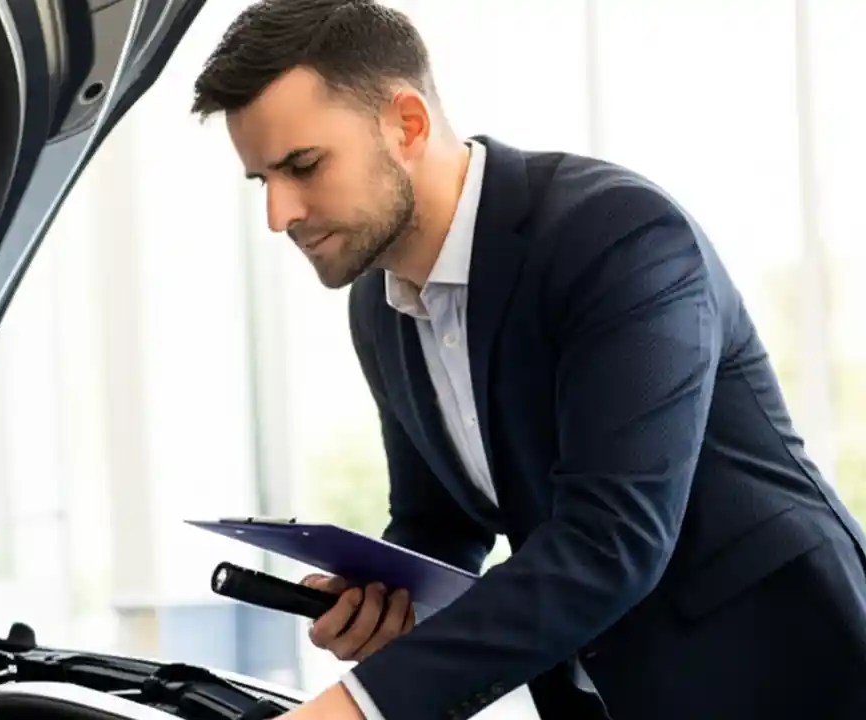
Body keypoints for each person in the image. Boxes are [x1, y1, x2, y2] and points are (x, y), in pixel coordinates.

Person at [189, 1, 866, 719]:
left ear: (407, 124)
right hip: (604, 691)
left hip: (790, 673)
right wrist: (381, 595)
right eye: (264, 180)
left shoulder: (616, 236)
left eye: (303, 165)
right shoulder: (378, 302)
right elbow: (440, 521)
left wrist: (357, 708)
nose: (280, 214)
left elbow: (611, 541)